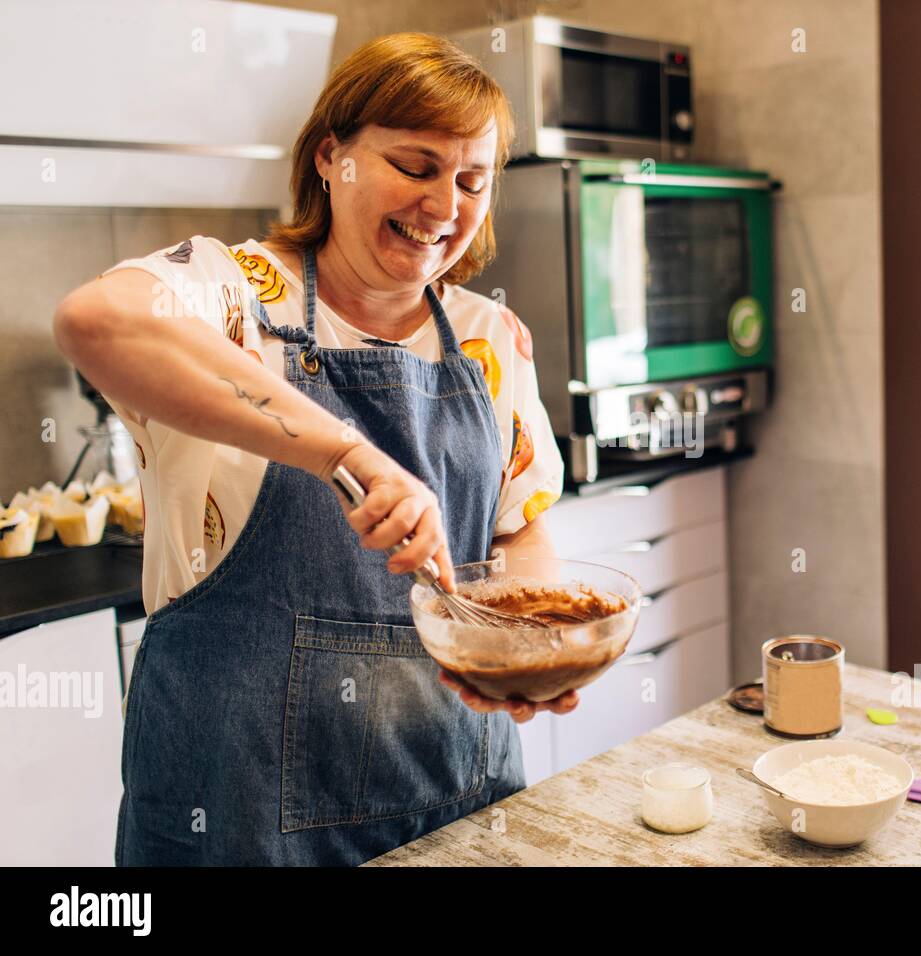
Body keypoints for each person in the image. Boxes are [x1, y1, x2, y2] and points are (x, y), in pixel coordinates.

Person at [53, 33, 572, 866]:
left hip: (456, 795)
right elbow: (96, 321)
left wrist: (527, 642)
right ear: (333, 157)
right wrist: (346, 454)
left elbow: (519, 528)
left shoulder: (489, 337)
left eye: (472, 180)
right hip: (237, 815)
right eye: (416, 165)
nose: (444, 206)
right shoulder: (229, 292)